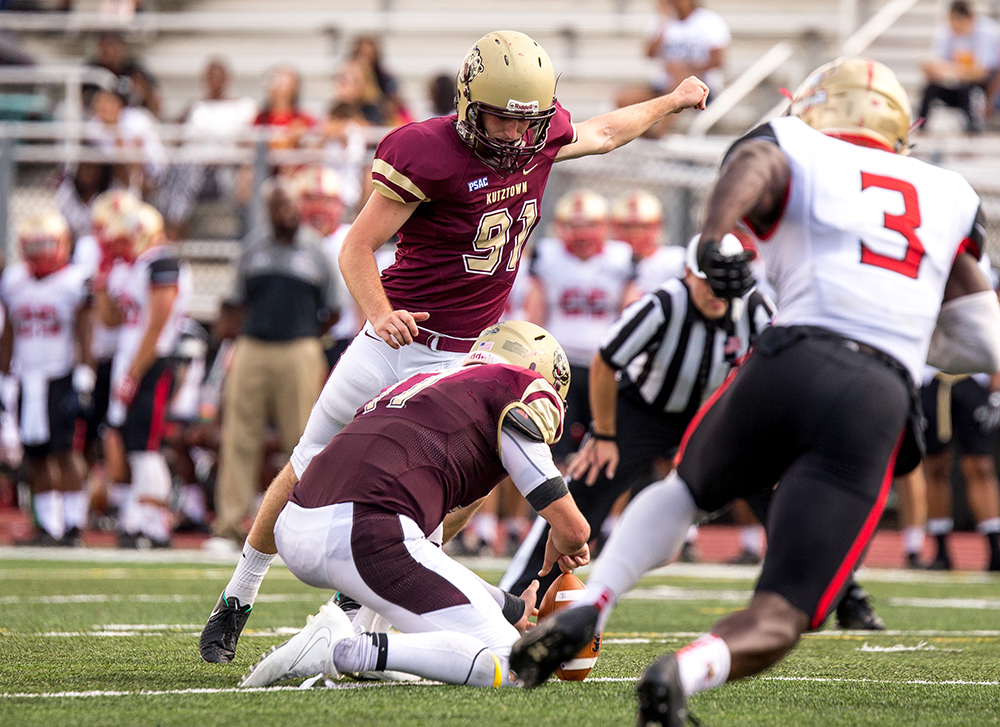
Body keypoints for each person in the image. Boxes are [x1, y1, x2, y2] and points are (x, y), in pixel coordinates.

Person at [510, 57, 1000, 725]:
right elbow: (980, 327)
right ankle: (684, 671)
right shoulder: (947, 191)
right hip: (878, 390)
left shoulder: (794, 141)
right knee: (786, 608)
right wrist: (919, 332)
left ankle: (593, 602)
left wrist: (714, 235)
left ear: (819, 107)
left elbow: (758, 166)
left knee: (684, 489)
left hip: (789, 355)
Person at [198, 29, 708, 664]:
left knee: (458, 493)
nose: (519, 137)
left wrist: (672, 100)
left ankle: (355, 613)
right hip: (398, 341)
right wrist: (379, 314)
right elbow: (356, 247)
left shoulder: (536, 134)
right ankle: (238, 596)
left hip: (469, 357)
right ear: (469, 102)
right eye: (504, 119)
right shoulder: (427, 151)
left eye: (531, 122)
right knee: (308, 462)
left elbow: (604, 132)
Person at [237, 321, 588, 689]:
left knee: (424, 561)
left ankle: (359, 633)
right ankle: (345, 649)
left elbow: (423, 559)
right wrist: (567, 537)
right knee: (512, 661)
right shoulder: (508, 385)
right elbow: (574, 529)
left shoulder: (421, 388)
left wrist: (510, 607)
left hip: (300, 523)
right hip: (366, 530)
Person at [501, 233, 774, 597]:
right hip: (645, 412)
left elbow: (776, 369)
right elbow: (606, 361)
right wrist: (606, 434)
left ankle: (839, 591)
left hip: (713, 416)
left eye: (726, 287)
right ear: (688, 274)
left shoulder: (754, 309)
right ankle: (521, 592)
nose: (717, 295)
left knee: (777, 487)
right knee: (585, 490)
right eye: (709, 283)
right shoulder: (663, 304)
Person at [206, 181, 336, 549]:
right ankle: (230, 525)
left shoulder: (316, 251)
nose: (286, 213)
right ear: (268, 210)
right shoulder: (253, 249)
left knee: (302, 438)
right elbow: (234, 302)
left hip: (299, 348)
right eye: (278, 207)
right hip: (252, 347)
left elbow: (333, 308)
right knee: (239, 436)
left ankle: (301, 527)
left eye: (290, 206)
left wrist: (308, 337)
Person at [93, 202, 192, 548]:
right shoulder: (134, 266)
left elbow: (159, 320)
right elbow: (111, 320)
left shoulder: (162, 261)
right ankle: (139, 517)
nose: (118, 246)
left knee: (146, 446)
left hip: (152, 361)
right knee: (130, 444)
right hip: (132, 360)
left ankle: (155, 523)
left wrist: (135, 371)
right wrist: (103, 282)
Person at [524, 189, 639, 463]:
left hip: (604, 364)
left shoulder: (622, 258)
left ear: (605, 227)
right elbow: (535, 311)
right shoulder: (547, 256)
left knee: (606, 441)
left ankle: (606, 507)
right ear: (560, 227)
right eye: (574, 226)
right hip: (558, 363)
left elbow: (630, 311)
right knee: (554, 445)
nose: (582, 234)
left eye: (590, 225)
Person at [1, 213, 94, 546]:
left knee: (66, 451)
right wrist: (4, 376)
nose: (40, 253)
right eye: (34, 246)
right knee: (36, 454)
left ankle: (72, 525)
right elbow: (9, 330)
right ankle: (48, 527)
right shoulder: (14, 281)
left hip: (61, 375)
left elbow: (85, 331)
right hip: (28, 378)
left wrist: (84, 376)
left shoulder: (74, 280)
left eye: (46, 245)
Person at [921, 369, 1000, 571]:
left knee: (980, 466)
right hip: (932, 381)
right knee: (935, 466)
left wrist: (996, 387)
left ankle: (995, 550)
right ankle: (941, 551)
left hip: (973, 380)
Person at [918, 0, 999, 135]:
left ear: (967, 19)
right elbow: (933, 65)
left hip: (985, 88)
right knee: (930, 88)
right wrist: (957, 72)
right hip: (959, 84)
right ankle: (921, 125)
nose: (954, 28)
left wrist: (951, 70)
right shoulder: (948, 32)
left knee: (970, 91)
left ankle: (974, 126)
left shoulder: (986, 32)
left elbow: (983, 72)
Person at [646, 0, 730, 101]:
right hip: (664, 84)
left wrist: (685, 68)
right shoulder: (662, 21)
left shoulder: (710, 21)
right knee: (626, 99)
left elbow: (717, 61)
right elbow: (649, 54)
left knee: (680, 83)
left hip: (702, 85)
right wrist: (664, 20)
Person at [611, 189, 685, 303]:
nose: (634, 234)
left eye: (641, 227)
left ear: (657, 226)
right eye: (626, 227)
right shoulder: (610, 261)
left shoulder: (673, 261)